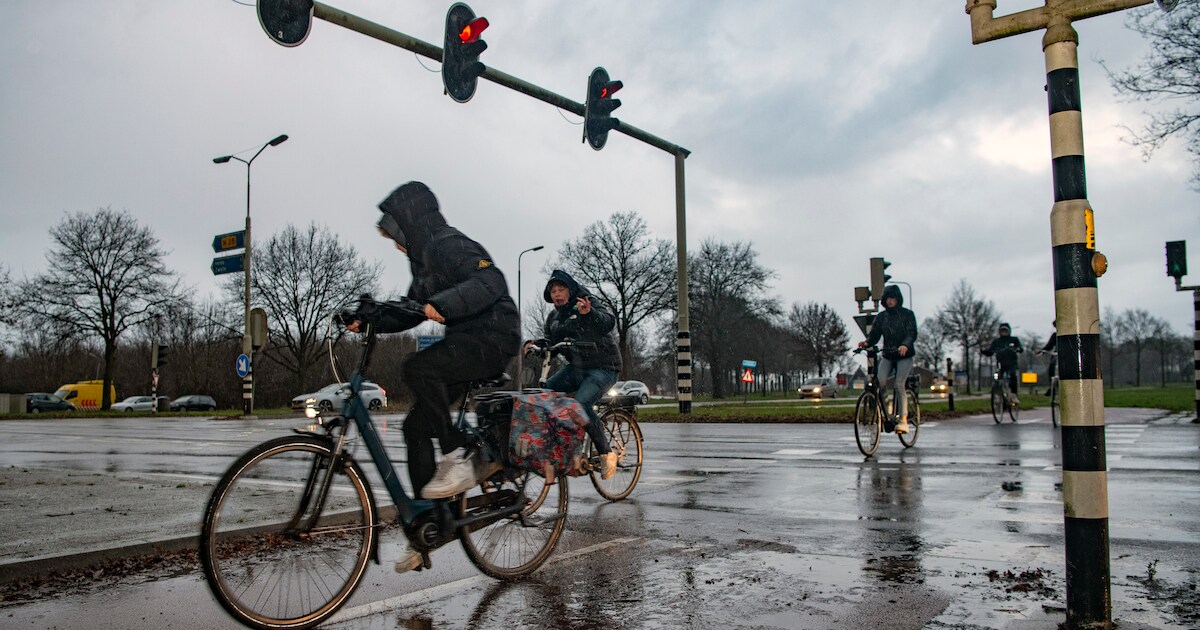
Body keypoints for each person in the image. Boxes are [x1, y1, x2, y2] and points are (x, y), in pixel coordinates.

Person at [347, 181, 520, 573]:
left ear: (412, 224)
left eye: (396, 235)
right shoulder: (423, 264)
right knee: (413, 427)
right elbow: (411, 310)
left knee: (417, 367)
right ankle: (430, 524)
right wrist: (368, 318)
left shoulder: (448, 244)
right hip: (466, 344)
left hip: (494, 337)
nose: (395, 245)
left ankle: (460, 453)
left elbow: (490, 282)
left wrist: (443, 303)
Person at [524, 270, 620, 480]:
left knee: (580, 405)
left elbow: (607, 322)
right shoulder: (554, 317)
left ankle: (606, 453)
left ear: (570, 290)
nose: (557, 294)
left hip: (604, 366)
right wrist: (535, 345)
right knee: (543, 397)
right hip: (577, 368)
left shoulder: (587, 301)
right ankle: (559, 449)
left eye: (561, 289)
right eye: (553, 291)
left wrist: (588, 313)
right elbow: (550, 342)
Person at [857, 285, 918, 434]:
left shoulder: (907, 314)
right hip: (888, 355)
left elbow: (912, 332)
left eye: (893, 298)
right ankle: (888, 411)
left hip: (904, 356)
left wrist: (905, 345)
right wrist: (867, 343)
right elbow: (875, 334)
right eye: (888, 299)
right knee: (880, 381)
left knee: (898, 384)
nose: (890, 301)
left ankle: (903, 420)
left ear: (898, 299)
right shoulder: (882, 317)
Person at [982, 322, 1024, 404]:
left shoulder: (1014, 339)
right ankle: (998, 395)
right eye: (1002, 331)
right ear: (999, 331)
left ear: (1009, 331)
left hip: (1012, 363)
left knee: (1012, 376)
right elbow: (991, 351)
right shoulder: (996, 341)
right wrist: (984, 351)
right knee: (997, 378)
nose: (1004, 332)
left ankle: (1013, 395)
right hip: (1001, 363)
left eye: (1005, 330)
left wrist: (1018, 349)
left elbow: (1020, 347)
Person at [1035, 321, 1057, 396]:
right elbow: (1049, 346)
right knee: (1052, 364)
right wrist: (1041, 350)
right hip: (1057, 355)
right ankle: (1052, 386)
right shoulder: (1055, 335)